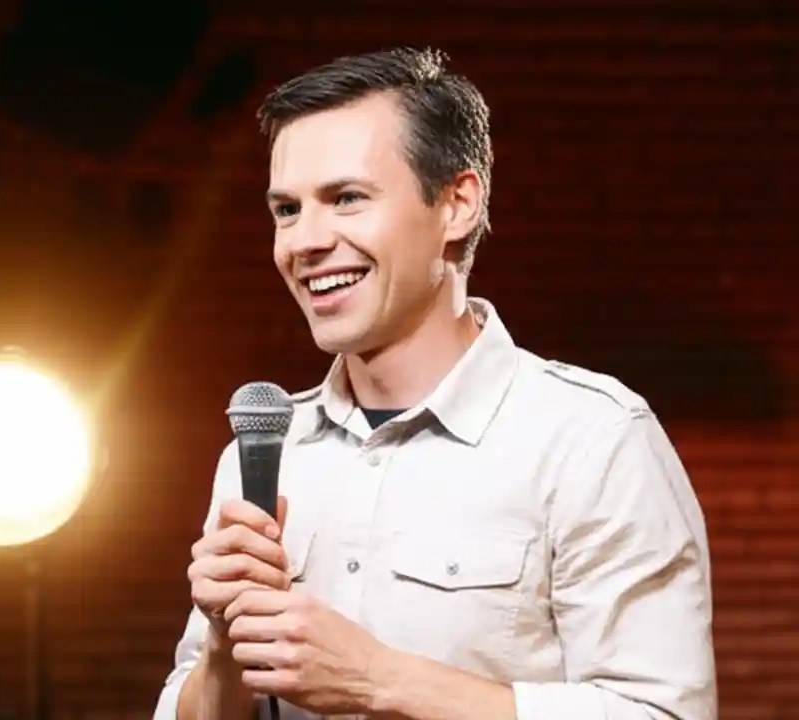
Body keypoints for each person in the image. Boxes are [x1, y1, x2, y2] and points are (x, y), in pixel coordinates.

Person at [153, 47, 716, 720]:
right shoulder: (266, 452)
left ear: (456, 205)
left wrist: (381, 682)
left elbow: (663, 714)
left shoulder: (591, 440)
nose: (304, 241)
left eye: (347, 199)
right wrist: (223, 650)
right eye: (286, 209)